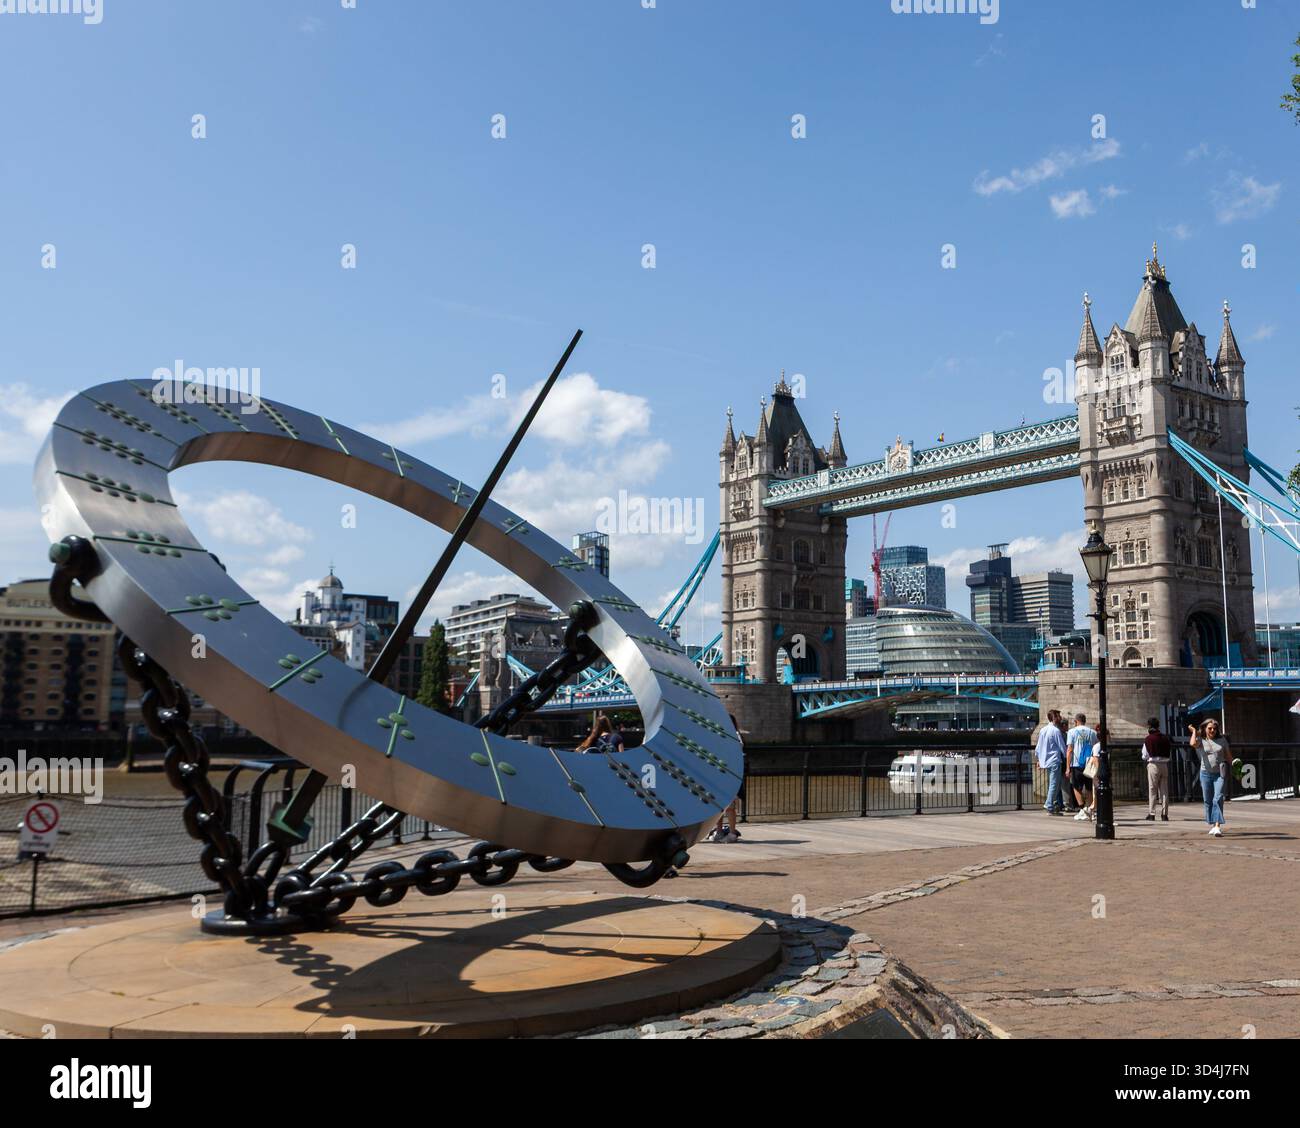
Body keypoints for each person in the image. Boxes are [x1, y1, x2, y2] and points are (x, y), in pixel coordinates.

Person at [1189, 717, 1233, 837]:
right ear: (1204, 728)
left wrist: (1236, 766)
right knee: (1207, 801)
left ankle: (1218, 826)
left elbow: (1228, 756)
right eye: (1210, 728)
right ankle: (1213, 824)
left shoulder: (1222, 740)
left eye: (1214, 728)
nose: (1212, 730)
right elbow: (1192, 743)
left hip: (1220, 773)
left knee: (1218, 798)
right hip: (1205, 773)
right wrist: (1194, 732)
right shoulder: (1201, 740)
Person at [706, 713, 745, 843]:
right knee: (718, 806)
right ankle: (719, 831)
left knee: (729, 806)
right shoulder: (720, 734)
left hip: (730, 774)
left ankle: (732, 833)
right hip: (719, 773)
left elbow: (734, 754)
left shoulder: (735, 736)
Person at [1035, 709, 1067, 815]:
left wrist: (1039, 760)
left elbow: (1038, 747)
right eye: (1059, 716)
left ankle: (1052, 806)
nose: (1060, 718)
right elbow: (1062, 747)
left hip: (1046, 761)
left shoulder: (1043, 730)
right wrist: (1068, 759)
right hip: (1054, 760)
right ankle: (1049, 804)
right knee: (1054, 784)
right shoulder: (1056, 731)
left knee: (1052, 784)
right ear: (1054, 718)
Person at [1066, 712, 1098, 821]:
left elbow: (1070, 750)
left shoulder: (1071, 732)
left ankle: (1083, 809)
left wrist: (1067, 767)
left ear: (1076, 721)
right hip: (1089, 763)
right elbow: (1095, 748)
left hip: (1076, 764)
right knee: (1089, 788)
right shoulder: (1092, 732)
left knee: (1076, 787)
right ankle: (1090, 809)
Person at [1142, 717, 1172, 822]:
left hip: (1153, 764)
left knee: (1152, 789)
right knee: (1164, 791)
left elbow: (1144, 755)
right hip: (1164, 764)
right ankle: (1164, 814)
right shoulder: (1165, 738)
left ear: (1149, 726)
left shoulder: (1148, 738)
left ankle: (1152, 813)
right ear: (1158, 726)